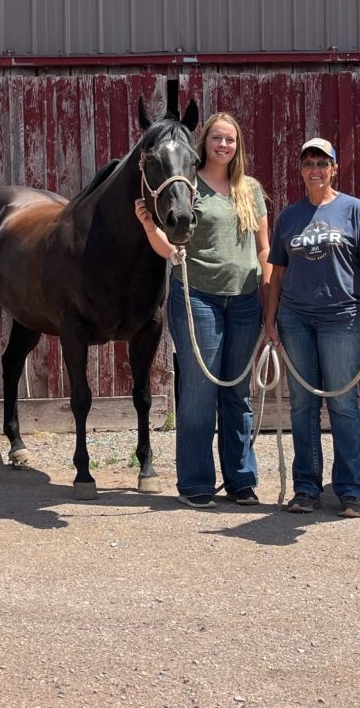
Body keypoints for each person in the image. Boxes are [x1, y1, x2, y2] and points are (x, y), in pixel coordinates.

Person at [135, 112, 270, 509]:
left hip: (245, 300)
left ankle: (240, 480)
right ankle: (195, 482)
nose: (223, 145)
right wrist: (149, 228)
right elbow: (172, 249)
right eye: (216, 138)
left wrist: (268, 294)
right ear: (204, 142)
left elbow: (264, 247)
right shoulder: (189, 184)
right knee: (199, 391)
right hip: (198, 298)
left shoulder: (250, 189)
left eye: (230, 139)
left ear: (237, 145)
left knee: (237, 392)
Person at [264, 137, 360, 518]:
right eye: (308, 163)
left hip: (341, 320)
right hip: (295, 319)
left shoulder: (354, 210)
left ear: (334, 169)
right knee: (303, 405)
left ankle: (350, 490)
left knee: (342, 404)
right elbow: (277, 274)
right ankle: (306, 489)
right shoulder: (289, 217)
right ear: (301, 171)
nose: (315, 169)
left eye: (322, 163)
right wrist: (270, 321)